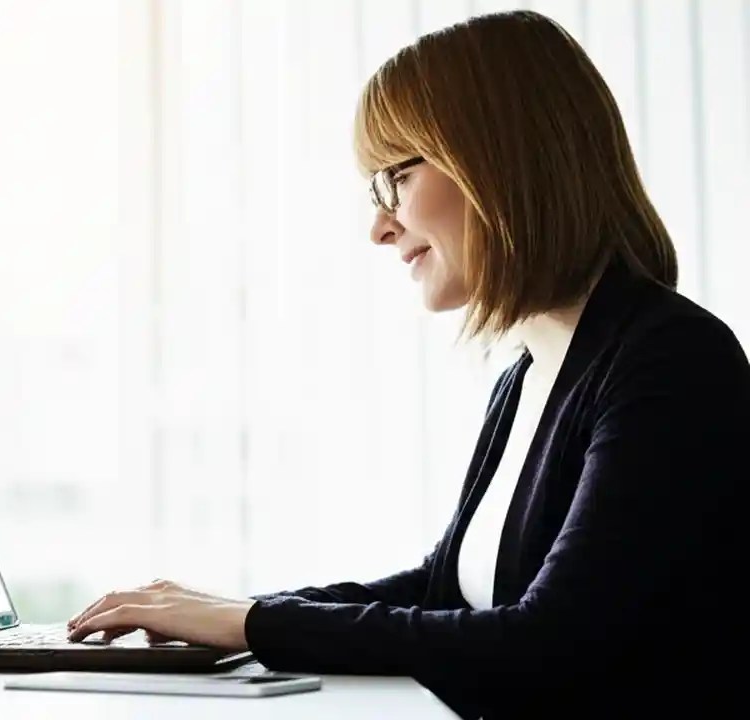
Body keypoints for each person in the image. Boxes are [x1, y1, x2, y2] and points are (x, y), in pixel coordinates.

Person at [65, 10, 750, 718]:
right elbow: (443, 590)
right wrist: (237, 613)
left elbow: (548, 641)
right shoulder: (528, 375)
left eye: (396, 177)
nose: (380, 226)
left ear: (498, 159)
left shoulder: (670, 360)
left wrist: (249, 625)